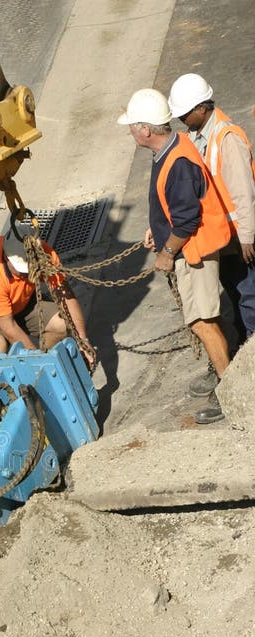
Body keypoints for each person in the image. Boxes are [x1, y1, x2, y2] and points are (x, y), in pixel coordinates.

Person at [118, 88, 231, 425]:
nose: (130, 132)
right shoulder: (171, 149)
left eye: (132, 126)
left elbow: (187, 219)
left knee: (201, 320)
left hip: (196, 250)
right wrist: (160, 228)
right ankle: (223, 371)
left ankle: (230, 392)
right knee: (207, 317)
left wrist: (168, 252)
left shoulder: (178, 163)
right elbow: (174, 209)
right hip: (190, 245)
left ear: (145, 129)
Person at [168, 73, 255, 398]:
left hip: (240, 240)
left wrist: (247, 236)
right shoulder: (199, 136)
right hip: (225, 239)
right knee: (235, 296)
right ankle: (244, 357)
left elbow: (244, 193)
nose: (180, 117)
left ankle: (251, 361)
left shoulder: (226, 138)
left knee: (249, 298)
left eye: (185, 112)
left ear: (202, 107)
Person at [0, 222, 95, 381]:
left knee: (60, 325)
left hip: (18, 301)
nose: (28, 275)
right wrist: (38, 363)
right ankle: (10, 394)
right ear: (6, 258)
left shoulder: (43, 254)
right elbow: (9, 328)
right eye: (24, 271)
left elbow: (64, 295)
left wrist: (82, 340)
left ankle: (54, 369)